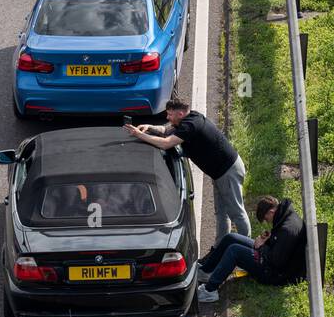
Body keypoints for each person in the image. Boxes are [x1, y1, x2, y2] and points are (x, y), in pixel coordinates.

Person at [125, 99, 250, 244]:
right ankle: (220, 247)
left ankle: (249, 248)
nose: (167, 118)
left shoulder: (191, 125)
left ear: (180, 113)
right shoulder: (189, 118)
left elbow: (166, 143)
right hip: (220, 173)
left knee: (237, 213)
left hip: (228, 172)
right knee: (221, 213)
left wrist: (140, 135)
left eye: (170, 115)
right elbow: (166, 130)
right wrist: (150, 127)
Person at [197, 196, 307, 302]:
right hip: (274, 259)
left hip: (276, 274)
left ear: (271, 211)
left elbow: (276, 261)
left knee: (234, 251)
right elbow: (280, 246)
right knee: (230, 238)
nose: (267, 221)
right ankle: (207, 271)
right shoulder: (286, 216)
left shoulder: (287, 230)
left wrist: (261, 246)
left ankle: (209, 291)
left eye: (266, 218)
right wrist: (268, 240)